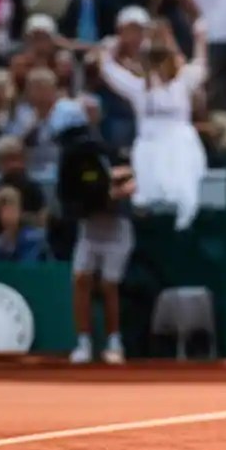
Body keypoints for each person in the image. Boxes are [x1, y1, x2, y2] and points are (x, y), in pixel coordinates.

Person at [96, 20, 208, 231]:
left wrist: (200, 39)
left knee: (179, 159)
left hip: (179, 143)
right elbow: (109, 72)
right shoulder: (139, 89)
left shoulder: (182, 83)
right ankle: (150, 203)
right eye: (154, 60)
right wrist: (107, 51)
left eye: (162, 59)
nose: (159, 65)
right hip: (149, 144)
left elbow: (201, 65)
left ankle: (182, 206)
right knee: (149, 161)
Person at [51, 99, 136, 365]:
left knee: (109, 286)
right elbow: (68, 198)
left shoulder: (105, 152)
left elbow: (129, 179)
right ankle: (84, 343)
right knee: (81, 282)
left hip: (116, 230)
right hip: (89, 230)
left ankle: (114, 343)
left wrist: (115, 192)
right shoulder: (69, 161)